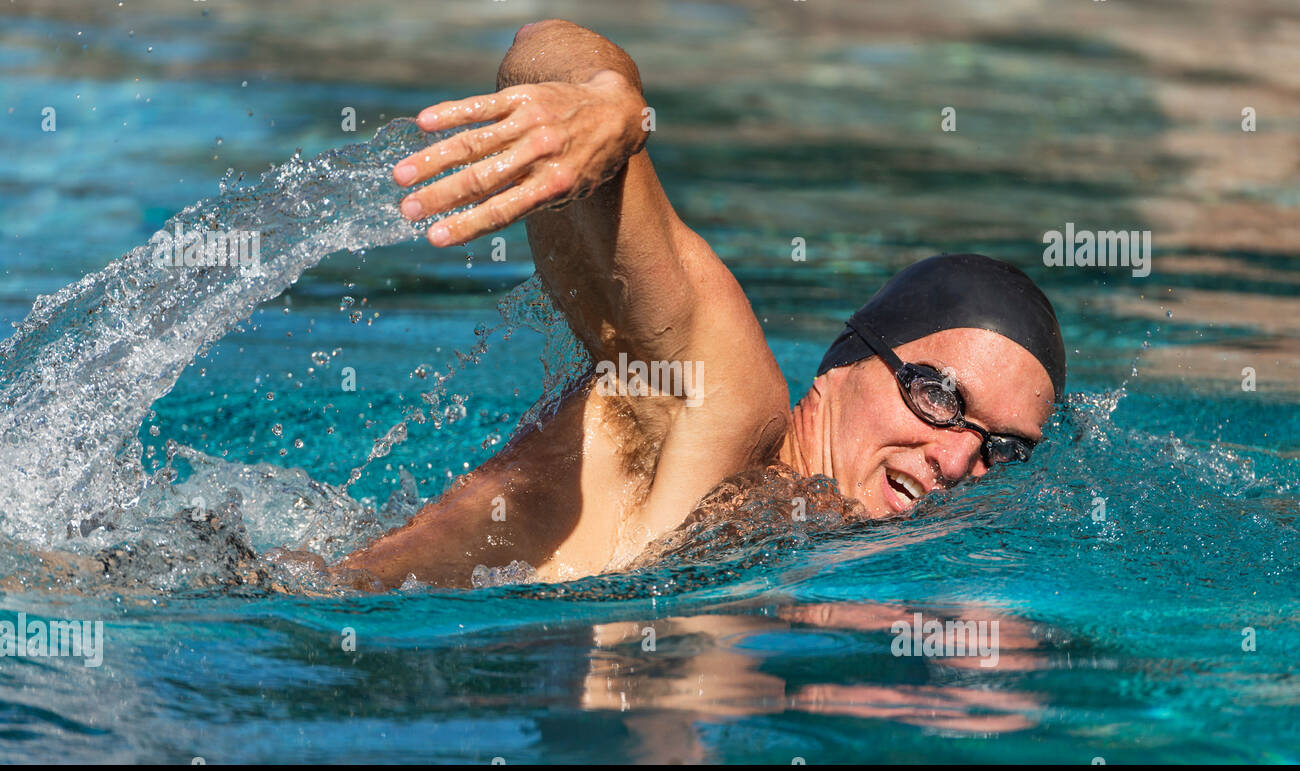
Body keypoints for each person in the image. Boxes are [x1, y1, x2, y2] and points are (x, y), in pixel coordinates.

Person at [331, 19, 1066, 589]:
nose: (957, 456)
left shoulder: (804, 535)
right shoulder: (724, 404)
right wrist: (609, 107)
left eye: (1002, 449)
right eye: (936, 394)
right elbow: (537, 47)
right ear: (846, 361)